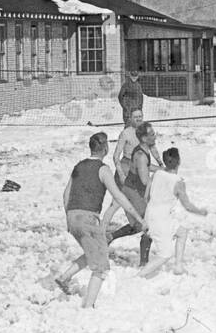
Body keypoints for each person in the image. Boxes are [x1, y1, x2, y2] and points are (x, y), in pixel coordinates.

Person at [55, 131, 144, 308]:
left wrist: (68, 219)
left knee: (94, 251)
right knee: (101, 267)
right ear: (105, 149)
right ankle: (88, 306)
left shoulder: (79, 166)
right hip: (88, 219)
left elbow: (65, 194)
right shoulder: (103, 169)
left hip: (73, 217)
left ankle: (64, 277)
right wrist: (137, 216)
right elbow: (118, 196)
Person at [140, 147, 208, 278]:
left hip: (151, 214)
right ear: (179, 161)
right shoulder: (178, 182)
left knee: (182, 232)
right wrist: (201, 212)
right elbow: (187, 206)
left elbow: (146, 196)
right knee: (165, 254)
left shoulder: (157, 174)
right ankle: (140, 276)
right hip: (161, 219)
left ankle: (178, 267)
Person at [102, 107, 162, 234]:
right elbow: (115, 156)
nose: (139, 119)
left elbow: (153, 149)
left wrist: (160, 163)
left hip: (139, 168)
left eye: (140, 116)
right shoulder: (126, 133)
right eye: (136, 117)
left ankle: (144, 225)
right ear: (130, 119)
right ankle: (102, 228)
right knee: (117, 202)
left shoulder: (146, 132)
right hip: (126, 166)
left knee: (144, 196)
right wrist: (121, 173)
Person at [107, 120, 158, 266]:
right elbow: (144, 180)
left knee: (138, 225)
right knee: (148, 224)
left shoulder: (144, 150)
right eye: (152, 134)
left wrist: (162, 170)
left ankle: (110, 236)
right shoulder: (141, 155)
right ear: (144, 138)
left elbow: (148, 167)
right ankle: (143, 264)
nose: (155, 136)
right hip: (133, 192)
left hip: (131, 190)